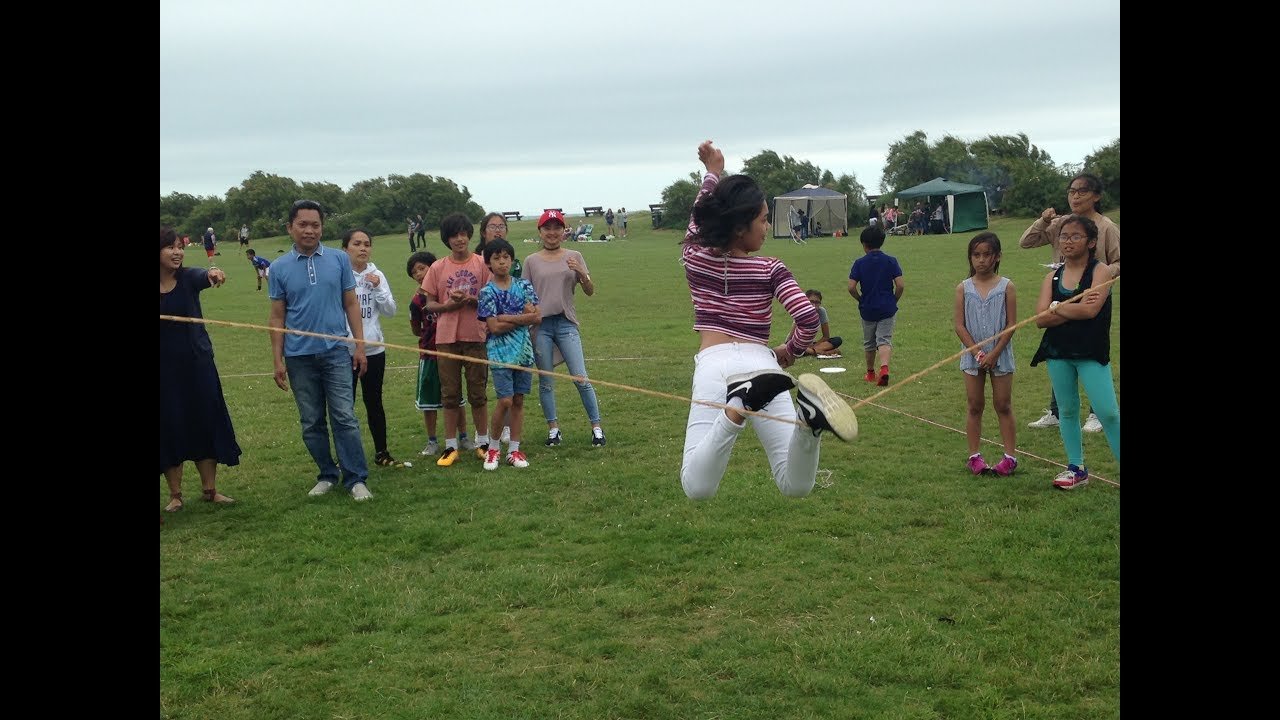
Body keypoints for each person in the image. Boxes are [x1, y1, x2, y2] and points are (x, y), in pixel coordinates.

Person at [679, 140, 858, 500]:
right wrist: (789, 352)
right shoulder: (770, 267)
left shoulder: (693, 254)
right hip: (763, 367)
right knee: (796, 485)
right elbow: (807, 317)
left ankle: (735, 410)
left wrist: (713, 172)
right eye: (762, 219)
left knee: (697, 488)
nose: (767, 226)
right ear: (742, 225)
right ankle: (808, 423)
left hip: (716, 365)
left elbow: (701, 210)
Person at [268, 200, 373, 501]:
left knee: (344, 416)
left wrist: (359, 346)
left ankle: (356, 478)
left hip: (337, 351)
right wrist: (278, 360)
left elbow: (351, 304)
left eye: (315, 224)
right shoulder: (278, 268)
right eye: (303, 224)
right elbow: (277, 316)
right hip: (299, 356)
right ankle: (327, 473)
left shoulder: (339, 260)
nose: (309, 230)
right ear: (290, 227)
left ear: (322, 227)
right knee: (311, 420)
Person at [1019, 173, 1121, 434]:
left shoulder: (1106, 227)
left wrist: (1100, 275)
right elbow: (1026, 242)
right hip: (1061, 293)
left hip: (1092, 299)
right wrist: (1043, 221)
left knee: (1091, 350)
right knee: (1060, 349)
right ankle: (1056, 411)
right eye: (1071, 191)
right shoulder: (1062, 224)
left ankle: (1097, 413)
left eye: (1082, 191)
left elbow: (1118, 262)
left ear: (1096, 196)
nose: (1075, 196)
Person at [1029, 214, 1120, 490]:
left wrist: (1056, 307)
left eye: (1076, 236)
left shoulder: (1100, 271)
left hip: (1090, 350)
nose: (1068, 241)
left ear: (1091, 241)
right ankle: (1076, 468)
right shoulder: (1052, 275)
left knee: (1108, 412)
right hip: (1058, 351)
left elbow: (1091, 310)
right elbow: (1040, 319)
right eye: (1064, 236)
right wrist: (1067, 309)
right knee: (1067, 411)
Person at [160, 226, 239, 513]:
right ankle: (176, 495)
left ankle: (210, 490)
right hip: (164, 372)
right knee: (169, 426)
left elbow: (203, 275)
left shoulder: (188, 277)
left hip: (197, 365)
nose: (177, 252)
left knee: (204, 421)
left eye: (180, 247)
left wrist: (213, 273)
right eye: (170, 247)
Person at [524, 209, 607, 447]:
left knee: (581, 377)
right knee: (546, 380)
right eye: (547, 228)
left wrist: (581, 273)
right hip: (541, 326)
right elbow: (526, 296)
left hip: (565, 323)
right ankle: (553, 429)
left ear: (564, 231)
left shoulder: (575, 255)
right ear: (540, 231)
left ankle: (597, 427)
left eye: (557, 228)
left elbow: (589, 290)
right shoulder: (531, 261)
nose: (552, 232)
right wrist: (531, 313)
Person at [421, 212, 492, 466]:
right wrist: (448, 306)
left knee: (478, 393)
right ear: (447, 239)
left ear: (469, 236)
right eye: (454, 235)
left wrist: (471, 300)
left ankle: (483, 442)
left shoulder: (483, 264)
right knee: (449, 395)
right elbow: (428, 304)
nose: (460, 239)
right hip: (446, 339)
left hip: (476, 336)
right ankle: (450, 446)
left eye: (463, 234)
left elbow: (492, 299)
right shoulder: (437, 267)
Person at [953, 232, 1018, 476]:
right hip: (972, 356)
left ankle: (1010, 457)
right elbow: (959, 324)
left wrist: (995, 353)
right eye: (976, 255)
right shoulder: (963, 288)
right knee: (974, 405)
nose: (981, 260)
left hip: (1000, 355)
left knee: (1002, 404)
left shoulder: (1006, 287)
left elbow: (1011, 324)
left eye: (987, 254)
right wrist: (978, 352)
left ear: (997, 256)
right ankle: (974, 456)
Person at [477, 238, 541, 470]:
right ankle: (493, 449)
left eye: (506, 257)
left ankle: (514, 450)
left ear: (512, 261)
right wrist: (522, 318)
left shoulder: (523, 286)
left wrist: (507, 317)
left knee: (519, 401)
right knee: (505, 400)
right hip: (500, 353)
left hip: (523, 352)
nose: (502, 262)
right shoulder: (487, 292)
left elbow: (537, 317)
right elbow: (493, 328)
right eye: (496, 258)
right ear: (489, 264)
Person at [342, 228, 399, 467]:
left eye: (367, 243)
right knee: (344, 406)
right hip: (344, 351)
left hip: (374, 349)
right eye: (357, 243)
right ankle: (346, 457)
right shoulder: (339, 275)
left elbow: (390, 311)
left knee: (374, 401)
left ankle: (382, 452)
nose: (363, 248)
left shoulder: (377, 275)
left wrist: (377, 288)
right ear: (345, 248)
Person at [406, 251, 470, 457]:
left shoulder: (446, 292)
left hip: (450, 349)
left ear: (433, 268)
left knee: (455, 396)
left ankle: (464, 437)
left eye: (422, 268)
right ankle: (432, 440)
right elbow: (416, 328)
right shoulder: (416, 302)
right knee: (428, 400)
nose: (418, 273)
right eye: (414, 271)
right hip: (429, 354)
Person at [476, 212, 521, 444]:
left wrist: (512, 317)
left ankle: (505, 430)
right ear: (484, 231)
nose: (497, 230)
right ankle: (482, 432)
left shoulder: (513, 261)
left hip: (511, 337)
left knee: (510, 389)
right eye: (492, 226)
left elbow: (524, 301)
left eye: (501, 226)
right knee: (480, 381)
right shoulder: (476, 259)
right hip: (480, 328)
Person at [848, 225, 904, 387]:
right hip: (887, 306)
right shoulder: (891, 261)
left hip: (868, 308)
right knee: (884, 339)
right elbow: (900, 285)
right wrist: (893, 299)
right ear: (882, 242)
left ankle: (871, 373)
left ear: (864, 244)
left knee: (869, 342)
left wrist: (860, 299)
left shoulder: (859, 263)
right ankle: (884, 369)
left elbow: (851, 287)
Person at [800, 289, 843, 358]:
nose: (814, 305)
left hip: (811, 344)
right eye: (811, 302)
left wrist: (814, 346)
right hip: (798, 343)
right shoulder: (801, 311)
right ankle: (824, 352)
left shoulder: (821, 311)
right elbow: (792, 337)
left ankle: (813, 351)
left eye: (817, 302)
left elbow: (826, 336)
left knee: (837, 340)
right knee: (795, 349)